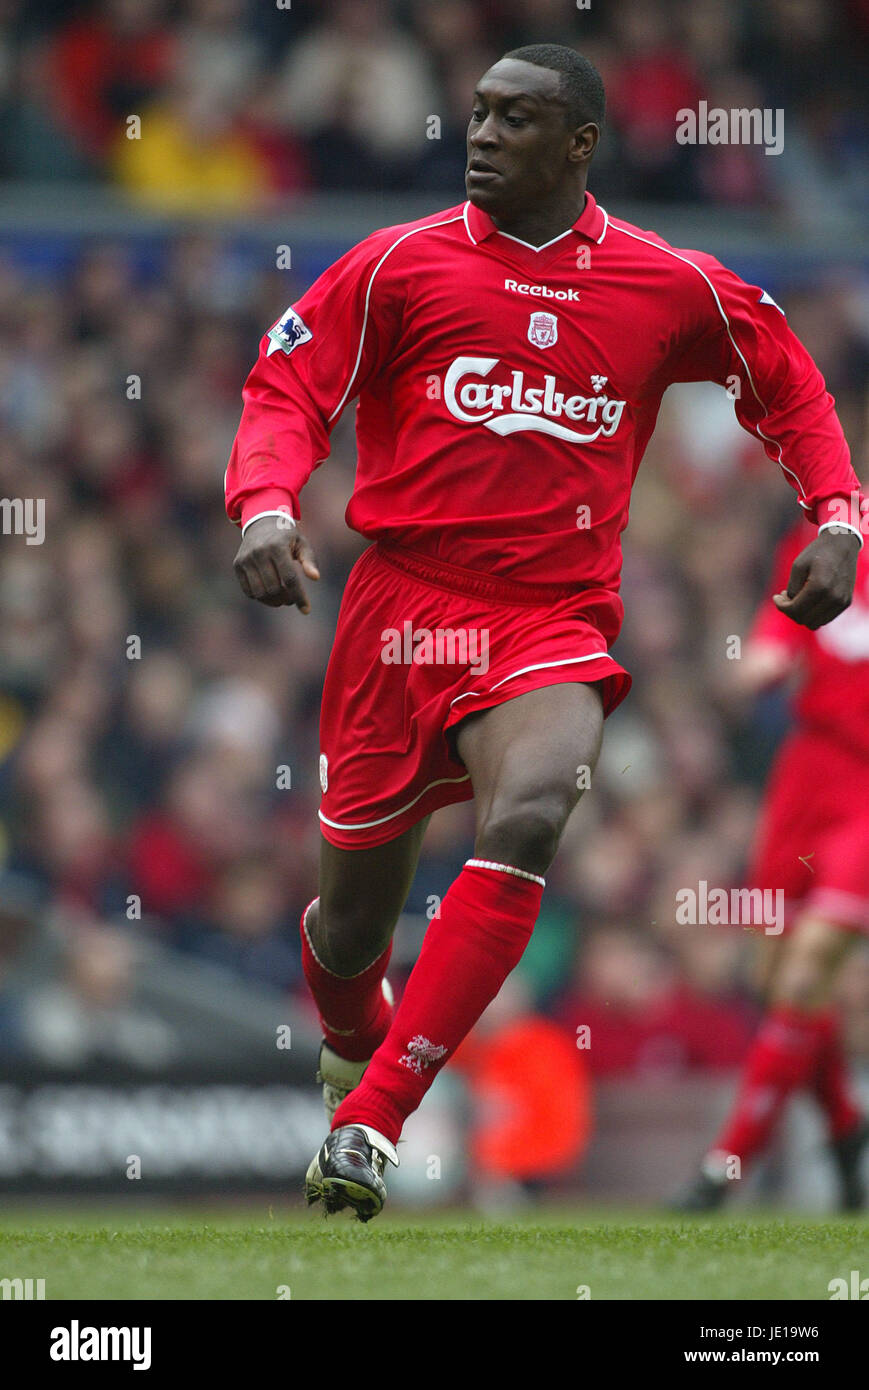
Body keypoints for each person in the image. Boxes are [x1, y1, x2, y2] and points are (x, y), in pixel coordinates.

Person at [226, 44, 865, 1222]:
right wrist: (264, 502)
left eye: (513, 119)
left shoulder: (663, 282)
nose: (478, 134)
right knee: (351, 930)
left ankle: (372, 1121)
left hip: (547, 620)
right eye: (474, 114)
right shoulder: (396, 264)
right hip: (396, 618)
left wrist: (836, 514)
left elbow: (786, 383)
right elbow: (285, 387)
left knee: (531, 808)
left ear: (578, 144)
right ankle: (352, 1035)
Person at [675, 516, 869, 1211]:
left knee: (810, 962)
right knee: (772, 975)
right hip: (808, 774)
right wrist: (764, 653)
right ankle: (846, 1130)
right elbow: (785, 614)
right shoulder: (838, 531)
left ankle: (720, 1171)